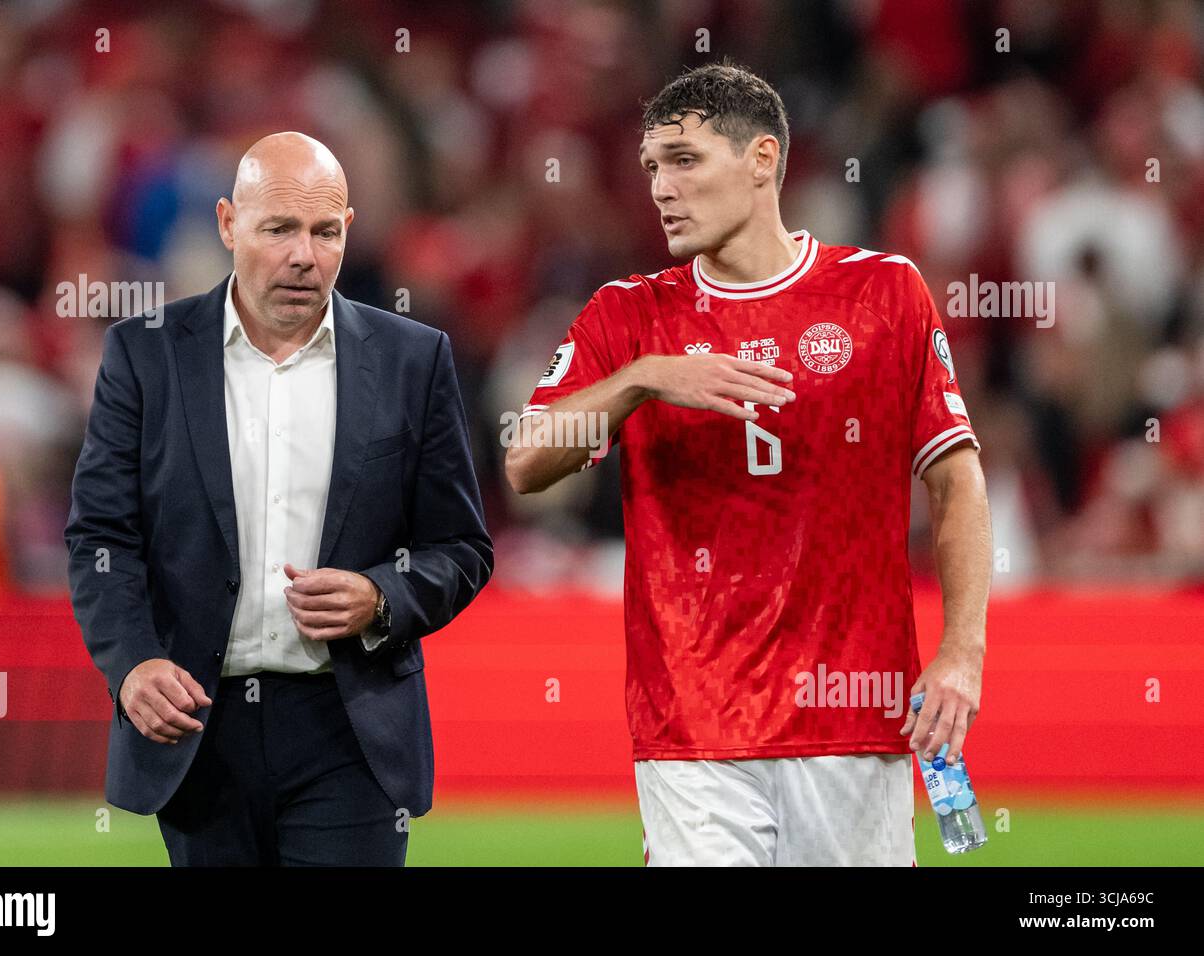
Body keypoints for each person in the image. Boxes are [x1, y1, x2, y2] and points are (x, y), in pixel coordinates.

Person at [505, 62, 991, 866]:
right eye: (652, 167)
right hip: (693, 725)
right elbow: (525, 462)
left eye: (685, 160)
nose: (661, 186)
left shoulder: (883, 295)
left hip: (852, 716)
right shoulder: (629, 315)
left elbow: (955, 478)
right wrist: (643, 378)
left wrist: (962, 651)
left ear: (762, 160)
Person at [65, 132, 492, 866]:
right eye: (280, 229)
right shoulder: (147, 354)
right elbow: (102, 537)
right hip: (200, 729)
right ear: (229, 225)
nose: (305, 254)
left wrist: (381, 596)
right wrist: (133, 663)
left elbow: (462, 547)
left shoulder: (412, 361)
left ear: (347, 231)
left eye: (325, 231)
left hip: (348, 731)